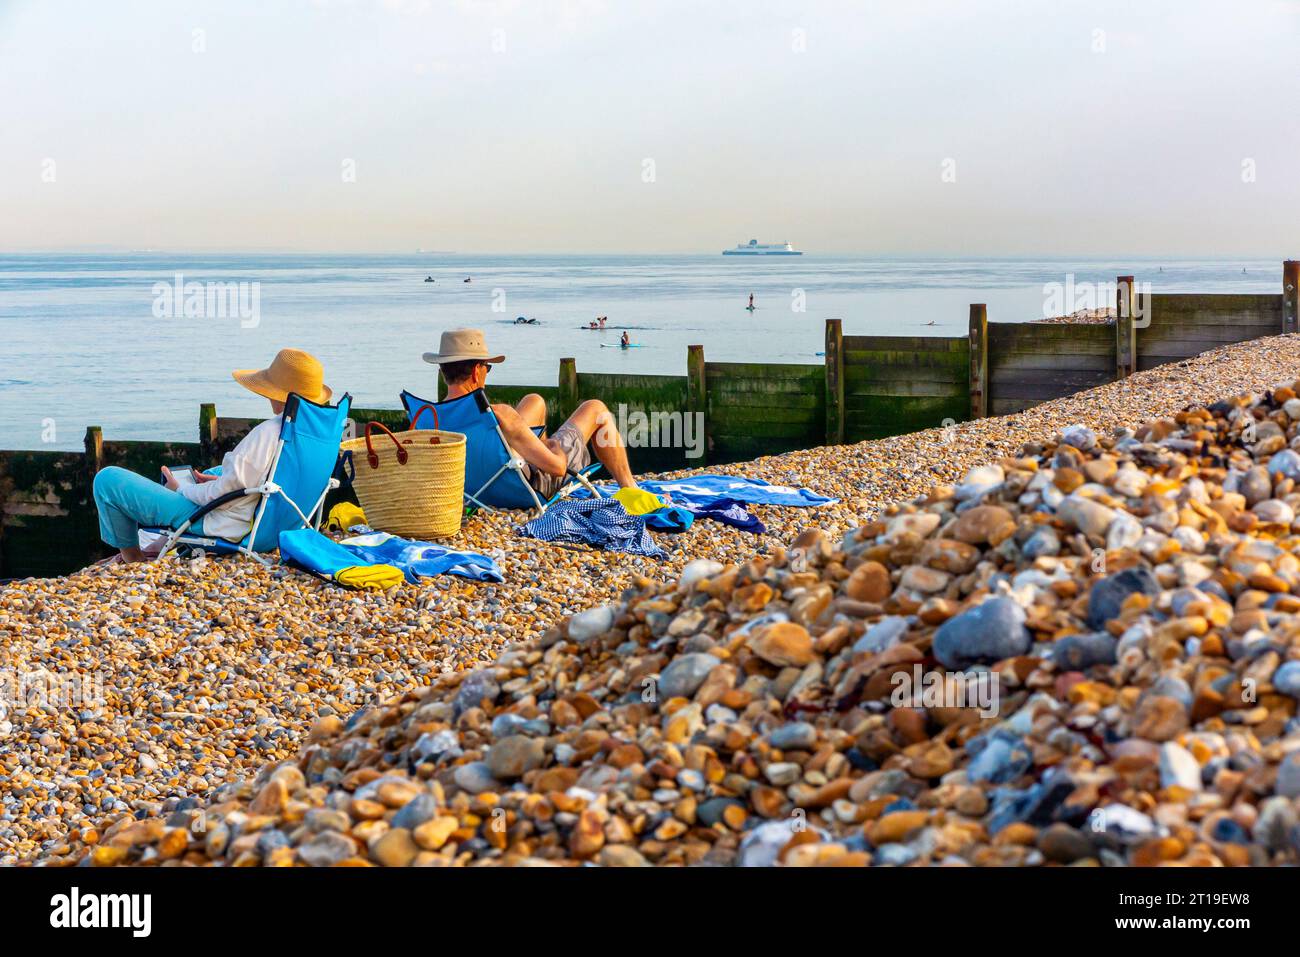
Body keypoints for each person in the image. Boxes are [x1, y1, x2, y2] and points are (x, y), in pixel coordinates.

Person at [91, 349, 334, 565]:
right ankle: (165, 540)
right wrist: (217, 480)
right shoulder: (317, 435)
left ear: (276, 392)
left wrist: (181, 490)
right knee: (215, 473)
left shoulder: (270, 433)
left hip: (232, 527)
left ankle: (132, 557)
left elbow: (226, 496)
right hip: (280, 528)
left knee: (108, 480)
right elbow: (265, 477)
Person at [423, 328, 637, 498]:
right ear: (477, 371)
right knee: (595, 408)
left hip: (474, 492)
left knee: (534, 401)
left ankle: (536, 450)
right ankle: (630, 488)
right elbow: (559, 468)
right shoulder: (498, 415)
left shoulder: (428, 417)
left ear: (442, 371)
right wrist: (553, 447)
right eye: (487, 368)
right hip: (524, 489)